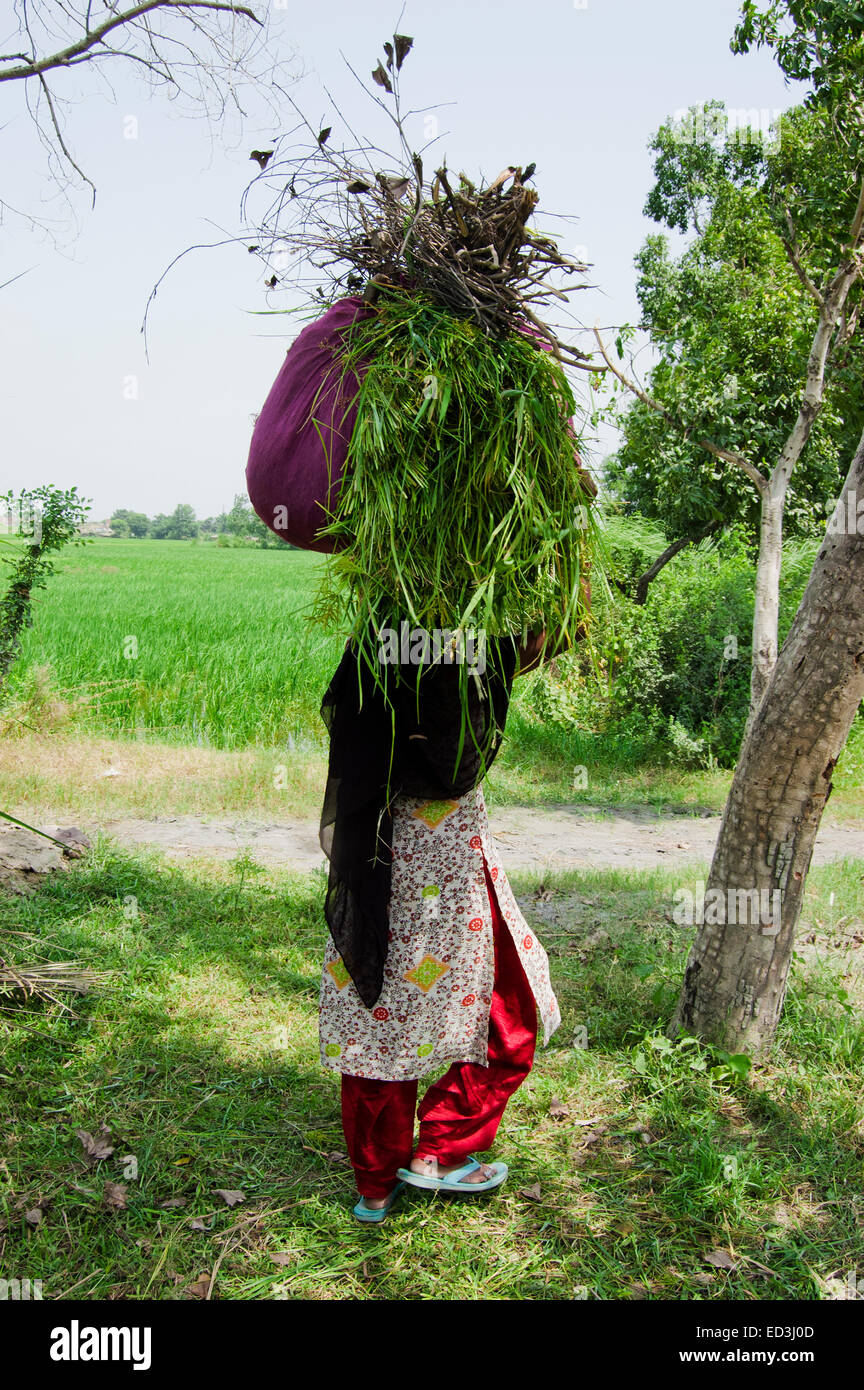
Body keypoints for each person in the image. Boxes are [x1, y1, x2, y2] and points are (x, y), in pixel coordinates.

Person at [316, 614, 588, 1223]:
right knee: (507, 1004)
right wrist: (570, 573)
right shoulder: (474, 641)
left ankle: (377, 1183)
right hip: (446, 870)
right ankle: (442, 1149)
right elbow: (555, 633)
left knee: (378, 1018)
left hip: (379, 863)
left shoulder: (383, 641)